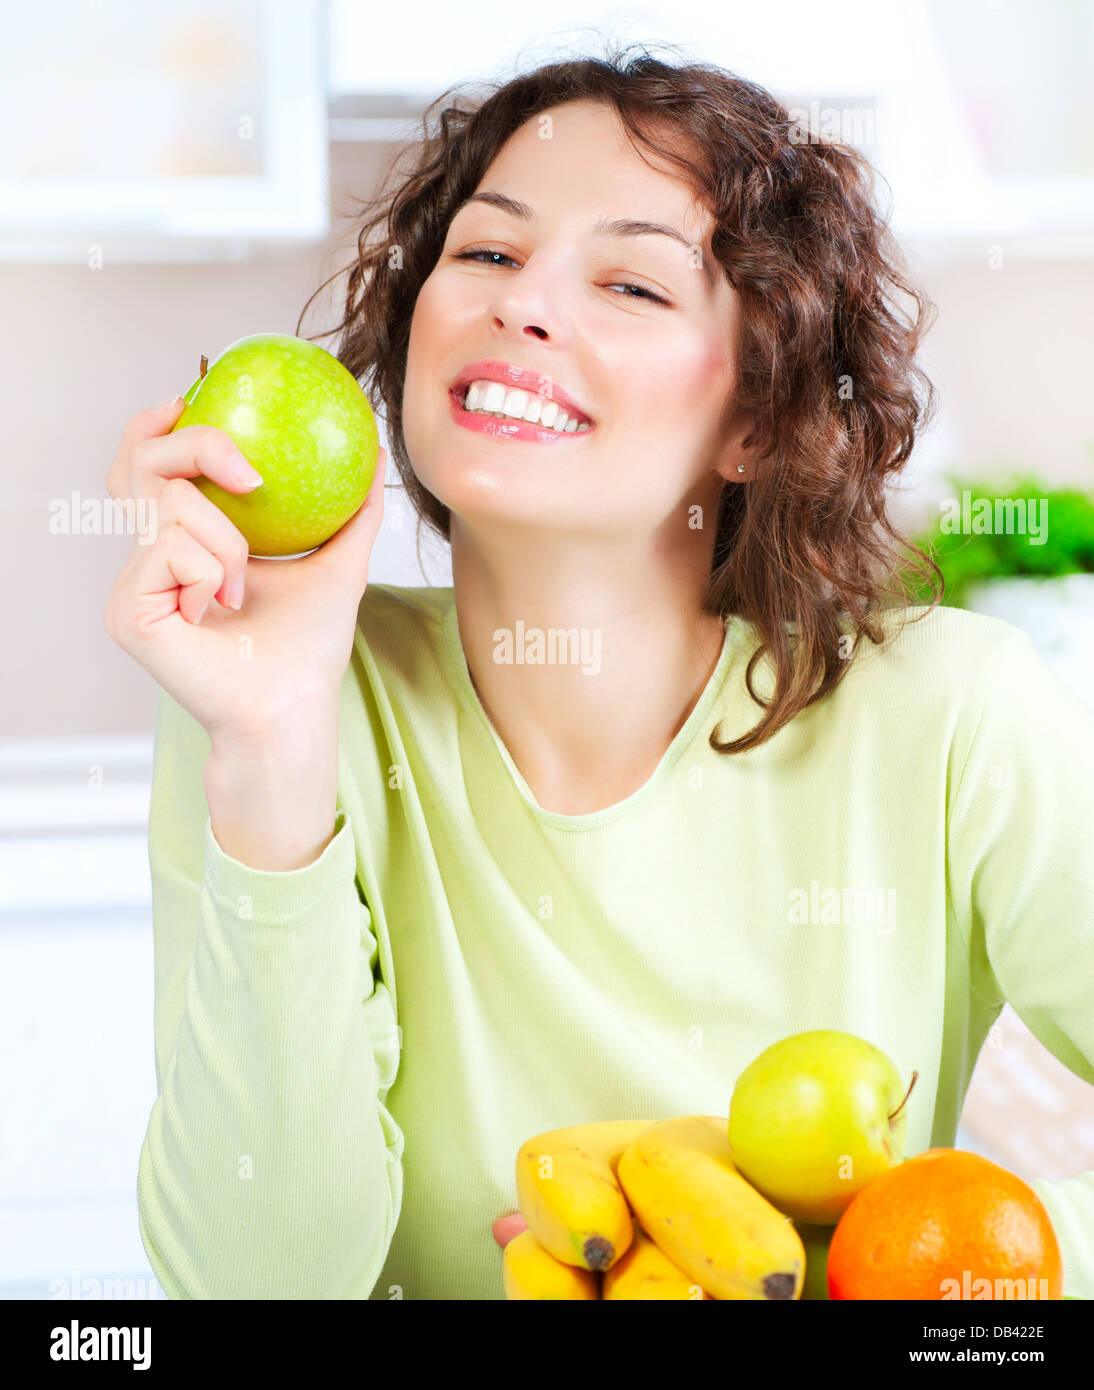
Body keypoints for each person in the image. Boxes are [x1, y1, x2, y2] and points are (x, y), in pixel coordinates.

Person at [104, 44, 1094, 1300]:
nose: (520, 304)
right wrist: (270, 747)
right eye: (487, 253)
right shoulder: (281, 701)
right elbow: (256, 1285)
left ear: (754, 417)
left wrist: (952, 1279)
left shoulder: (953, 717)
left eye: (630, 283)